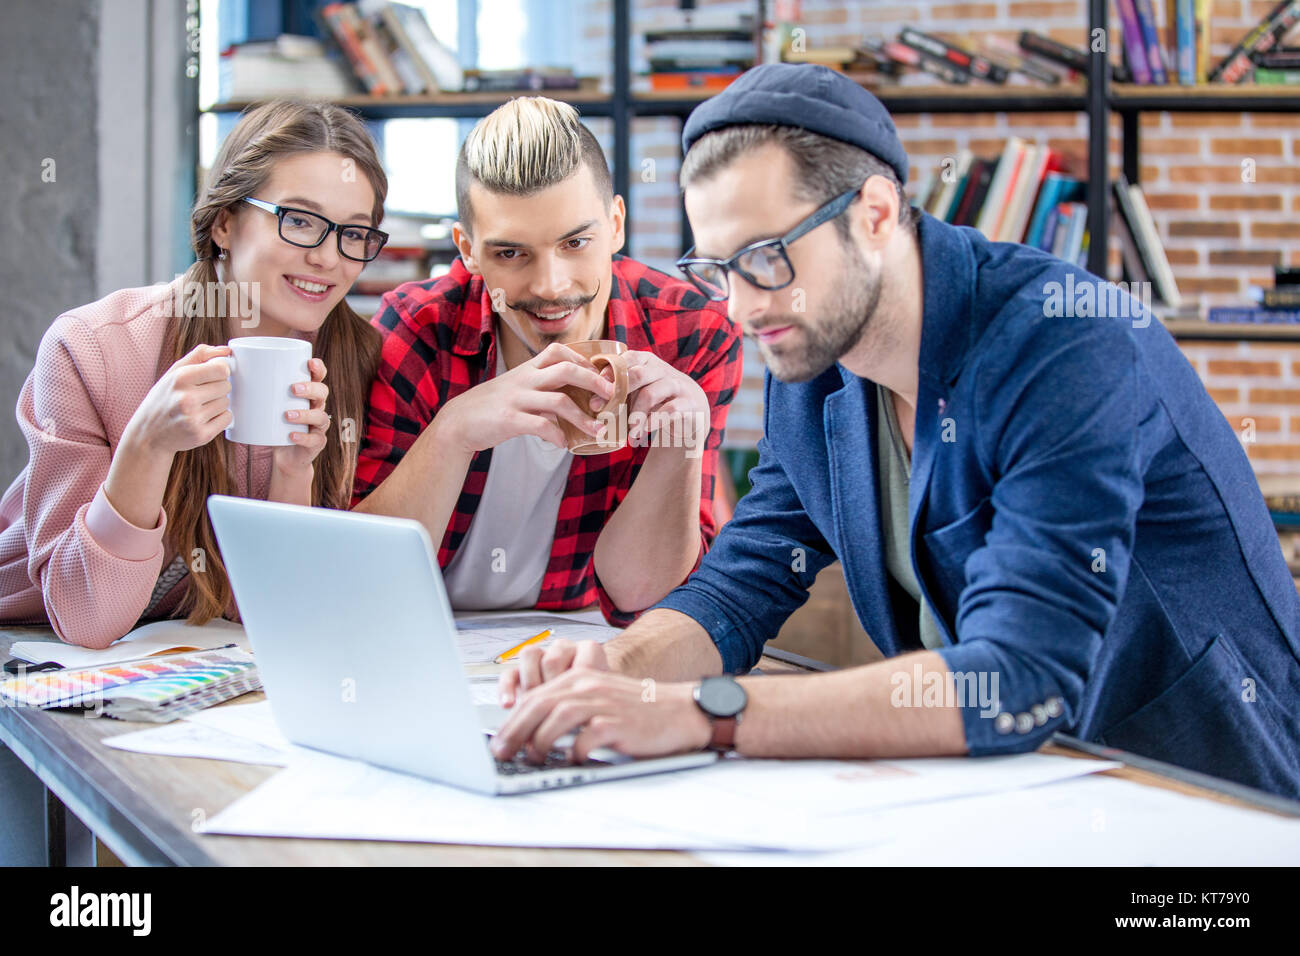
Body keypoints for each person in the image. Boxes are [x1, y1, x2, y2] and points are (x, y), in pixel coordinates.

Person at [489, 64, 1300, 799]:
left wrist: (706, 712)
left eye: (768, 258)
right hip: (1019, 790)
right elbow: (741, 583)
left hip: (1205, 798)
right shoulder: (813, 367)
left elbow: (1016, 679)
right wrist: (614, 670)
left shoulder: (1066, 345)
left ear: (874, 212)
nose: (738, 308)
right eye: (718, 269)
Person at [0, 101, 389, 649]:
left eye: (354, 233)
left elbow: (278, 618)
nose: (329, 258)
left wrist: (293, 475)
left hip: (203, 657)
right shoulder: (94, 347)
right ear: (225, 222)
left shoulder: (361, 360)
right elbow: (84, 617)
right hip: (30, 641)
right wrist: (146, 447)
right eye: (299, 221)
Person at [352, 97, 742, 624]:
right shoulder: (418, 328)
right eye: (510, 254)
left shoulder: (693, 333)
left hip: (584, 631)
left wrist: (681, 444)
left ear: (617, 225)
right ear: (467, 249)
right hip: (419, 624)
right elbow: (362, 577)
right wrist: (454, 430)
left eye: (576, 242)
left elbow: (642, 597)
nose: (551, 287)